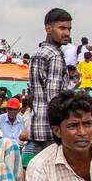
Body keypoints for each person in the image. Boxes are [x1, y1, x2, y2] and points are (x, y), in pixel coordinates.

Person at [25, 8, 73, 159]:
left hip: (38, 128)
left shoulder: (40, 53)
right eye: (62, 28)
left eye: (69, 29)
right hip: (52, 133)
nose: (67, 33)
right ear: (48, 28)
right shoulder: (54, 56)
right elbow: (55, 99)